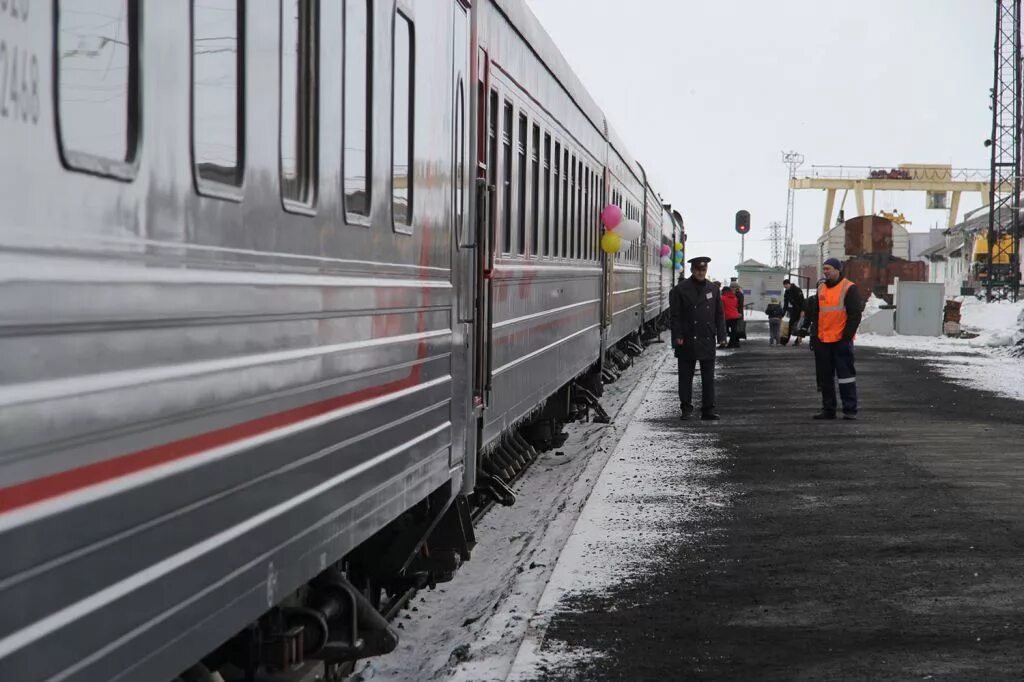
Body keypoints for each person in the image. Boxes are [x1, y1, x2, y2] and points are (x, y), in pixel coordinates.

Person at [806, 259, 863, 420]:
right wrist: (814, 336)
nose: (826, 271)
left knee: (846, 377)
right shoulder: (821, 289)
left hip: (840, 341)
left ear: (838, 270)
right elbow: (816, 315)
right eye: (824, 269)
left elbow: (855, 315)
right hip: (823, 340)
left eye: (828, 268)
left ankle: (850, 409)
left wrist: (846, 337)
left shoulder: (848, 288)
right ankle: (828, 409)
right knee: (825, 377)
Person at [670, 256, 726, 420]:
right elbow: (675, 316)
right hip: (687, 339)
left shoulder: (713, 289)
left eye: (704, 270)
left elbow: (719, 315)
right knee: (685, 377)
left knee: (708, 378)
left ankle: (708, 409)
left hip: (707, 337)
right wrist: (677, 336)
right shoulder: (680, 289)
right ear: (692, 270)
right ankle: (686, 408)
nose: (701, 272)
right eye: (698, 270)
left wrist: (722, 335)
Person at [783, 279, 805, 346]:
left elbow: (802, 301)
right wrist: (783, 312)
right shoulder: (787, 292)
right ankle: (784, 341)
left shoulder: (797, 290)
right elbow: (786, 303)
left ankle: (797, 341)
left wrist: (803, 310)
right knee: (790, 324)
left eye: (786, 286)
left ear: (789, 284)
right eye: (784, 286)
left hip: (800, 310)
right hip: (794, 310)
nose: (785, 287)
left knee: (799, 326)